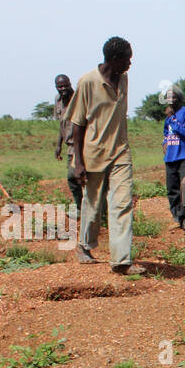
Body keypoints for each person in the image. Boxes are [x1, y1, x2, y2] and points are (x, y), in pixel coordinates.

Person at [67, 36, 143, 275]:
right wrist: (78, 162)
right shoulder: (88, 82)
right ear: (114, 59)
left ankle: (121, 260)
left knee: (122, 203)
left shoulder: (125, 79)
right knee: (93, 203)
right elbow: (77, 124)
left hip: (121, 152)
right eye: (127, 59)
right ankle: (85, 245)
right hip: (94, 153)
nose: (130, 64)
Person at [162, 85, 185, 223]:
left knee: (184, 186)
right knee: (171, 187)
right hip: (170, 156)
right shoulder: (168, 116)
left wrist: (173, 119)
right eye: (168, 96)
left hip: (183, 156)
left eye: (174, 96)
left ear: (179, 98)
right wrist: (164, 142)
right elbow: (166, 131)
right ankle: (176, 214)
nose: (171, 99)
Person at [52, 74, 81, 215]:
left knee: (72, 176)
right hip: (69, 146)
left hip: (80, 144)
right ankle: (81, 207)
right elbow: (62, 125)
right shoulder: (57, 101)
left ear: (70, 84)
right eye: (59, 86)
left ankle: (84, 208)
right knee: (74, 179)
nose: (62, 89)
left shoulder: (78, 100)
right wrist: (59, 145)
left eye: (65, 85)